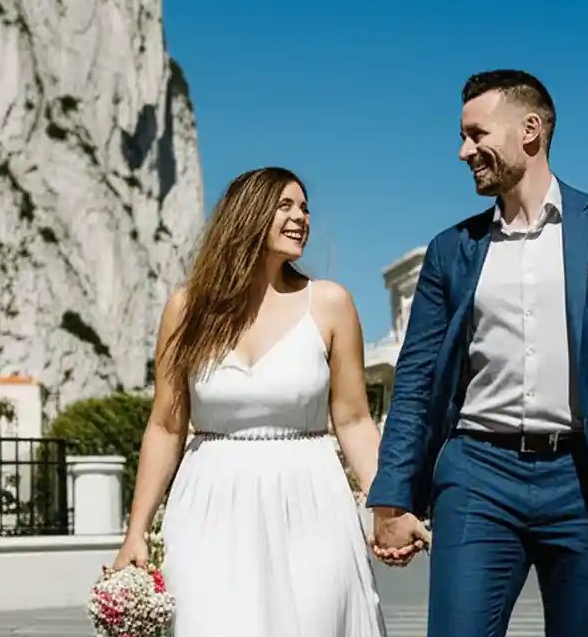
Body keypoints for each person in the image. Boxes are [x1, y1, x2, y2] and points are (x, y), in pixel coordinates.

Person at [367, 69, 588, 636]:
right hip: (477, 474)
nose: (465, 151)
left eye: (477, 134)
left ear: (530, 130)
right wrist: (392, 494)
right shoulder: (451, 251)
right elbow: (414, 382)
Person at [111, 167, 389, 636]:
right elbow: (166, 425)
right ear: (248, 215)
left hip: (311, 500)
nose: (301, 217)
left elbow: (355, 419)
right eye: (286, 205)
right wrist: (135, 532)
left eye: (305, 208)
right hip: (208, 504)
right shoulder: (187, 309)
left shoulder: (329, 303)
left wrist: (389, 505)